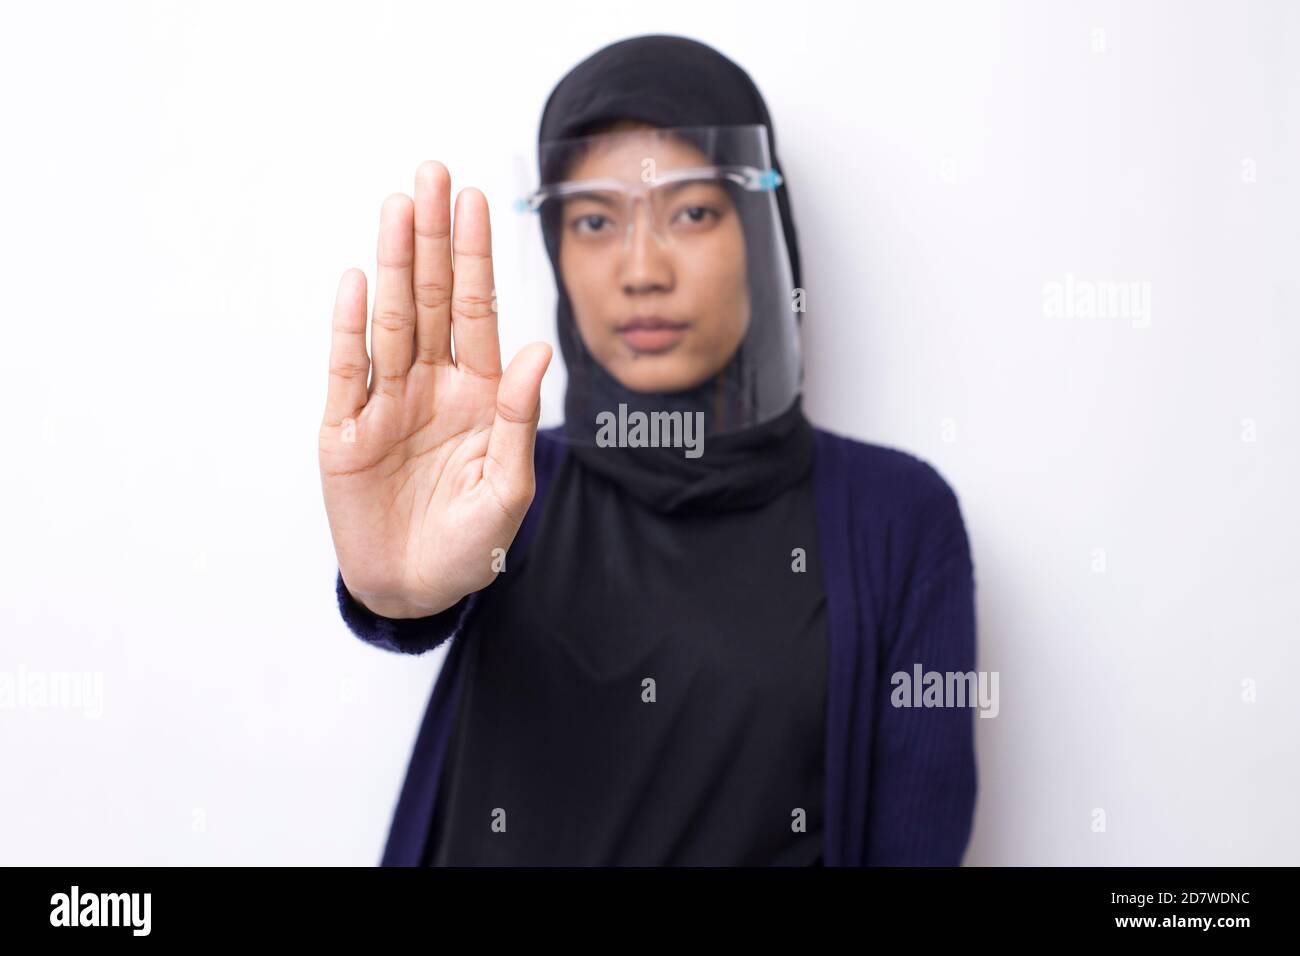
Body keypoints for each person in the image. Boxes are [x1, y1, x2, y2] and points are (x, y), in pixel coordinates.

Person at [318, 34, 978, 866]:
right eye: (594, 219)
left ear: (761, 230)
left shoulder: (894, 517)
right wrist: (393, 594)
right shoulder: (503, 481)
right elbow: (421, 594)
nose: (641, 269)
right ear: (556, 244)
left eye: (692, 213)